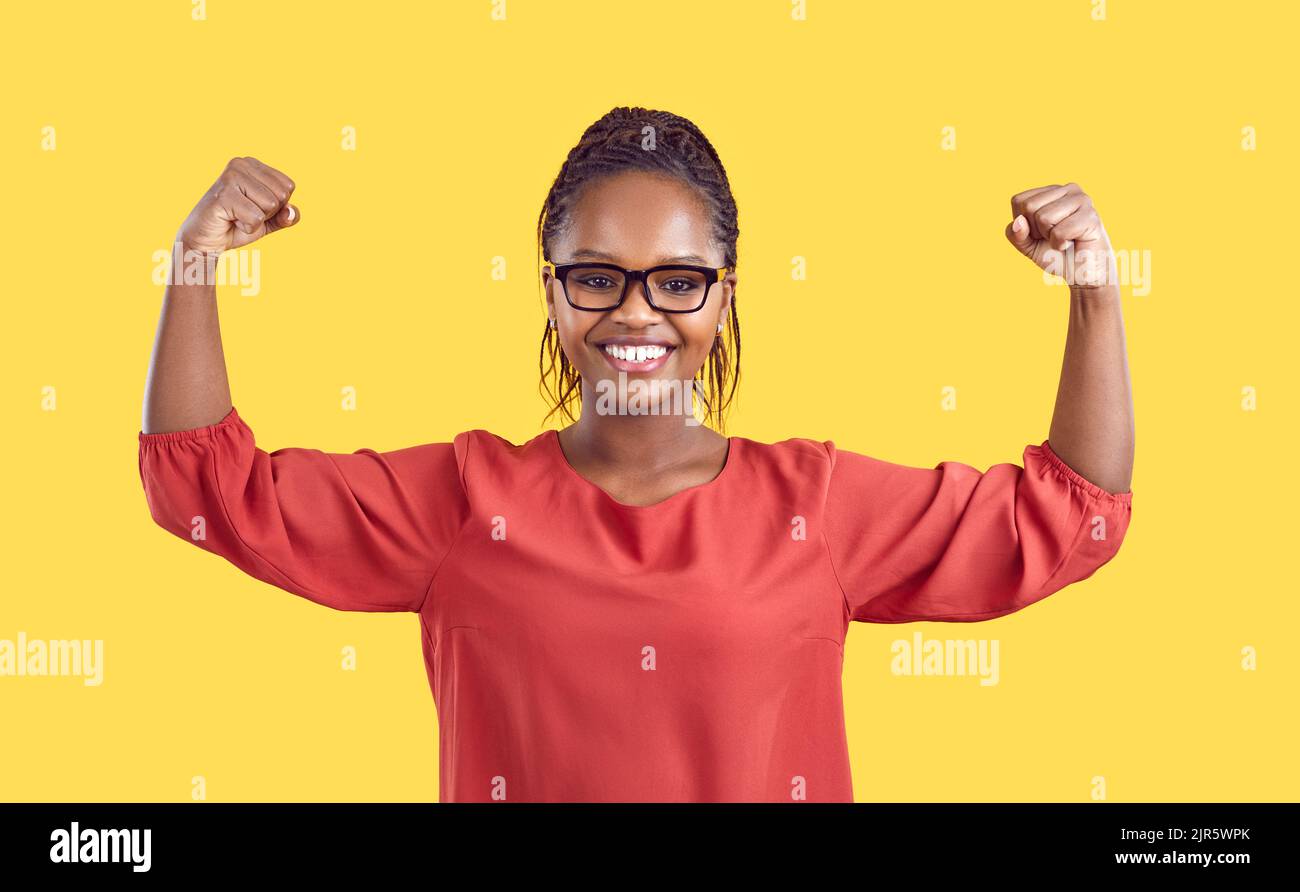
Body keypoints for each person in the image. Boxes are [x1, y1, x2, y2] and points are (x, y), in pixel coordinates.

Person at [138, 106, 1134, 802]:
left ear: (725, 294)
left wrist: (1094, 290)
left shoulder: (815, 504)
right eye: (598, 278)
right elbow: (202, 487)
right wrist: (194, 257)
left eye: (676, 282)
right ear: (550, 290)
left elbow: (1070, 516)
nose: (635, 313)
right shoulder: (457, 504)